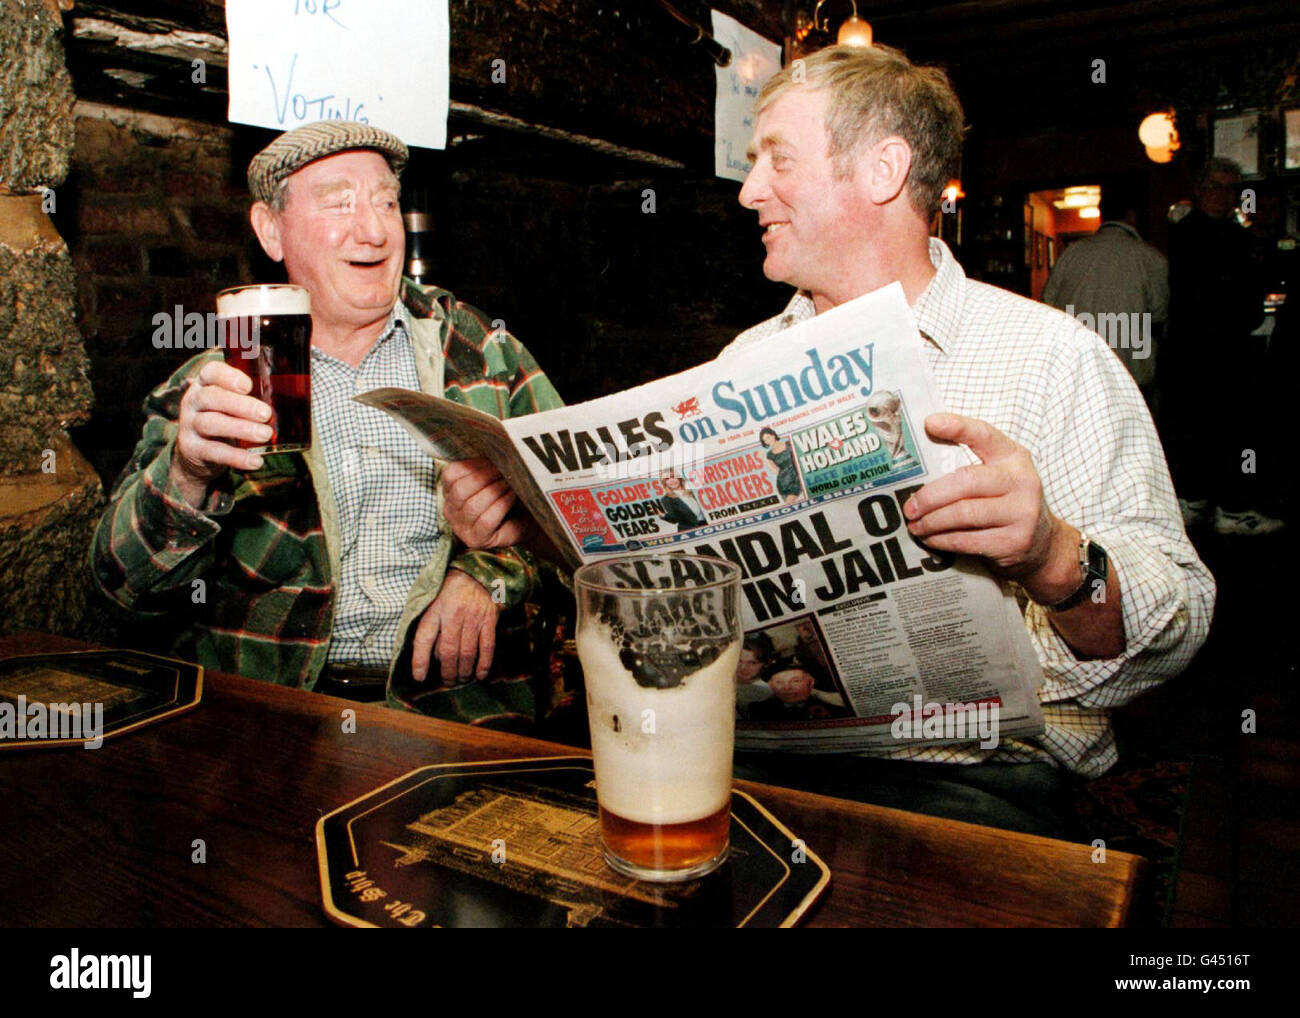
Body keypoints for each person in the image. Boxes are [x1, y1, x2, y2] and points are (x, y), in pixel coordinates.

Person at [439, 46, 1215, 836]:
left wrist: (1052, 557)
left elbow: (1176, 629)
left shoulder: (1053, 356)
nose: (747, 193)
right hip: (766, 762)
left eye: (777, 160)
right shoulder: (744, 364)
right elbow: (666, 588)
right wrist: (531, 526)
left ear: (882, 171)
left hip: (978, 781)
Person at [90, 121, 562, 708]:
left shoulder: (481, 354)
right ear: (271, 230)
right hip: (265, 720)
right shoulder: (217, 387)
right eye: (339, 203)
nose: (372, 231)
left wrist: (495, 569)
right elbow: (122, 591)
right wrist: (188, 473)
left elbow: (595, 542)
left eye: (385, 203)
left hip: (457, 715)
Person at [1162, 157, 1279, 535]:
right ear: (1199, 190)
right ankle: (1230, 508)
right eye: (1215, 186)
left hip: (1193, 352)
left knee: (1200, 431)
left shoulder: (1184, 233)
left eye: (1229, 188)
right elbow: (1243, 303)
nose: (1222, 195)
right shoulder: (1225, 237)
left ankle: (1196, 502)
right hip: (1218, 352)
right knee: (1231, 434)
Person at [1041, 184, 1168, 406]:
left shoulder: (1072, 253)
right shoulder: (1151, 258)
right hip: (1131, 371)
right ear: (1132, 214)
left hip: (1077, 369)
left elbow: (1047, 305)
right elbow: (1159, 314)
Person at [758, 426, 803, 502]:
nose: (767, 441)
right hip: (783, 484)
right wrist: (764, 459)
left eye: (768, 438)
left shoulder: (789, 444)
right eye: (765, 440)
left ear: (773, 435)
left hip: (796, 480)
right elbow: (775, 472)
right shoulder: (769, 455)